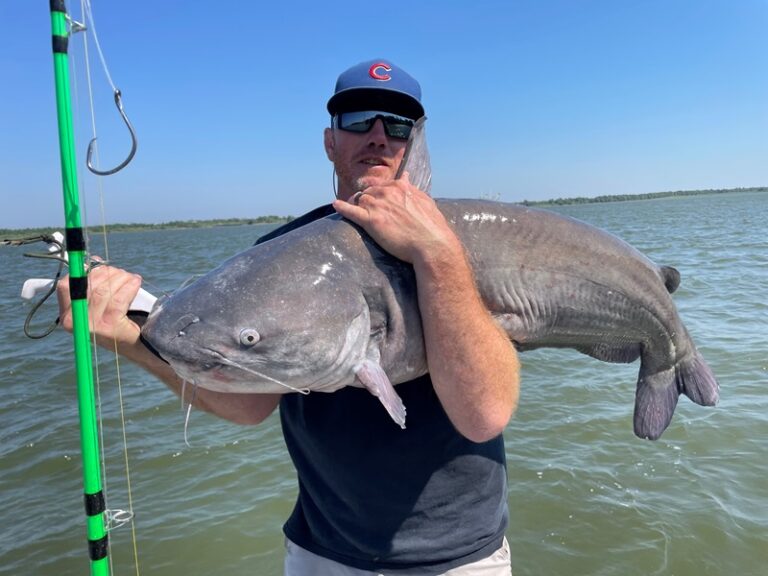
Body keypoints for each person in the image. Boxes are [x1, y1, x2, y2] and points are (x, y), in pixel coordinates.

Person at [57, 58, 521, 575]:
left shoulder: (463, 245)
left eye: (395, 125)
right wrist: (125, 334)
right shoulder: (275, 254)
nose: (377, 136)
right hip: (321, 549)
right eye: (359, 119)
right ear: (330, 140)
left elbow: (486, 416)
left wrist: (438, 254)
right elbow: (247, 401)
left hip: (458, 558)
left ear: (412, 143)